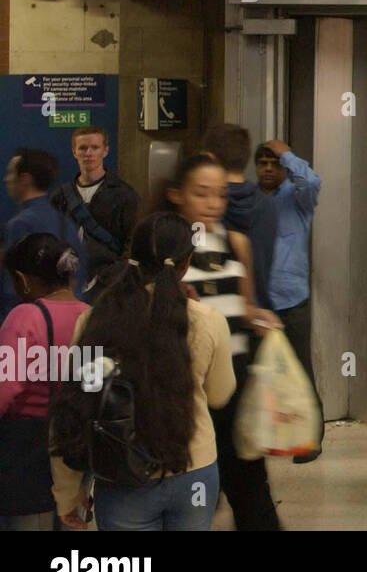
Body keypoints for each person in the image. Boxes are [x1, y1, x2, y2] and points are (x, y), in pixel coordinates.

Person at [48, 212, 237, 531]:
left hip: (123, 476)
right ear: (185, 263)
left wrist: (67, 492)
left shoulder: (95, 323)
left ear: (130, 258)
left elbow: (74, 411)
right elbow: (220, 394)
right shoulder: (208, 321)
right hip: (194, 473)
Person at [164, 153, 282, 530]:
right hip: (186, 386)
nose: (214, 203)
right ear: (177, 195)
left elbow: (246, 307)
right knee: (190, 488)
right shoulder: (164, 246)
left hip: (234, 381)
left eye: (220, 195)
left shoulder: (235, 242)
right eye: (202, 193)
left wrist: (262, 320)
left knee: (249, 483)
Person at [0, 234, 91, 530]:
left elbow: (5, 390)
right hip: (80, 448)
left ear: (24, 281)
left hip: (29, 454)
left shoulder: (25, 317)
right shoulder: (92, 316)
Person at [255, 139, 324, 463]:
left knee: (300, 369)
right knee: (258, 371)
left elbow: (312, 181)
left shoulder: (298, 199)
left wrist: (287, 154)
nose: (268, 168)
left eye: (274, 163)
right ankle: (267, 435)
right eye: (263, 163)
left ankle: (310, 438)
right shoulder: (247, 200)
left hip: (292, 298)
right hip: (257, 302)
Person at [49, 125, 141, 291]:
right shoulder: (60, 196)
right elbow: (51, 238)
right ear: (74, 152)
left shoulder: (125, 195)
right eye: (83, 148)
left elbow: (132, 243)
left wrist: (112, 276)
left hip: (108, 282)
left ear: (105, 151)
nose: (89, 153)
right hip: (67, 281)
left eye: (95, 147)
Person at [2, 149, 88, 319]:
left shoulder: (20, 225)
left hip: (31, 322)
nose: (6, 179)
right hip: (70, 318)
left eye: (11, 173)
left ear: (25, 179)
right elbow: (79, 272)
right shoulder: (66, 223)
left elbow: (11, 289)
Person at [201, 124, 278, 314]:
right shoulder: (268, 204)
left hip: (216, 311)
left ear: (210, 158)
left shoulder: (204, 207)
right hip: (259, 312)